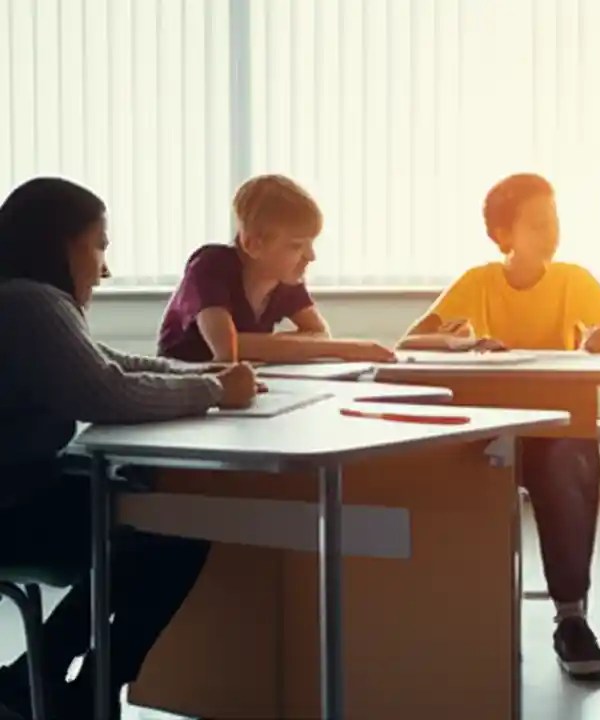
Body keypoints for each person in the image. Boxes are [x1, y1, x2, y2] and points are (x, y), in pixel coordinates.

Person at [0, 177, 258, 718]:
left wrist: (201, 372)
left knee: (153, 513)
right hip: (13, 510)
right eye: (100, 245)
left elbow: (109, 362)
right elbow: (106, 391)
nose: (105, 267)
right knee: (178, 525)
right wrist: (213, 389)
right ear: (62, 242)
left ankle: (39, 678)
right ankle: (82, 688)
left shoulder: (21, 298)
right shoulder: (30, 302)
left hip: (20, 492)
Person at [399, 173, 600, 681]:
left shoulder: (575, 279)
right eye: (538, 223)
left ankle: (571, 617)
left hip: (558, 429)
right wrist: (461, 343)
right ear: (505, 236)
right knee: (445, 460)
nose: (552, 230)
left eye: (555, 219)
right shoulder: (478, 281)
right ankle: (464, 610)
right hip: (492, 425)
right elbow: (413, 341)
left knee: (569, 461)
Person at [158, 174, 395, 364]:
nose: (311, 257)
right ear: (253, 244)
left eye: (311, 244)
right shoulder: (211, 265)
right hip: (183, 392)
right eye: (296, 246)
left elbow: (320, 333)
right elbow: (227, 350)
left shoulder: (284, 280)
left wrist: (268, 346)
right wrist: (348, 349)